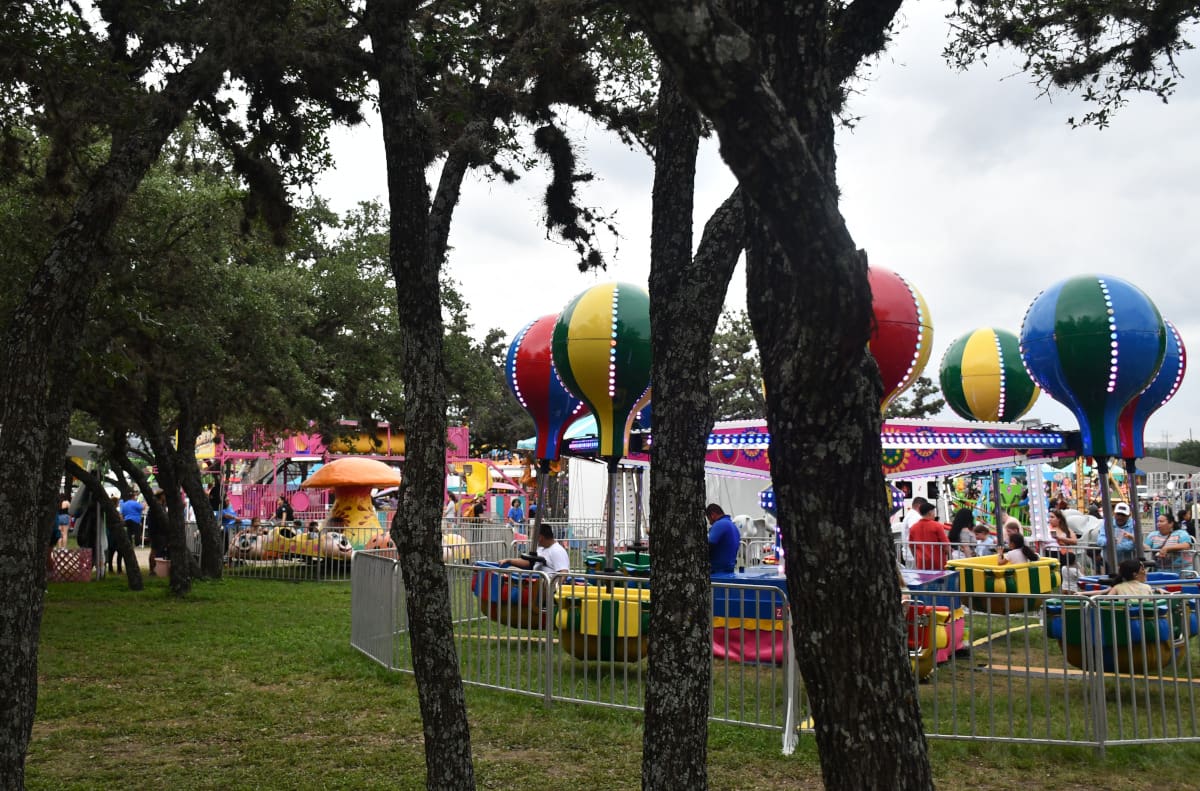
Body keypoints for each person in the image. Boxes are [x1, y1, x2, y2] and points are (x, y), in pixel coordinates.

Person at [499, 522, 569, 574]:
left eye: (533, 537)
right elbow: (529, 562)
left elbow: (563, 573)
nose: (532, 539)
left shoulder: (557, 551)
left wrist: (553, 587)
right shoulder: (541, 548)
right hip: (535, 579)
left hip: (546, 584)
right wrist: (509, 561)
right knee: (509, 570)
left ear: (540, 537)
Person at [908, 502, 950, 570]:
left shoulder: (913, 528)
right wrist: (949, 555)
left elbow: (911, 546)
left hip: (921, 563)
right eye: (934, 512)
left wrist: (917, 558)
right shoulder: (937, 526)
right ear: (930, 513)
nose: (934, 515)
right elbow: (946, 545)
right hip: (938, 563)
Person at [1097, 502, 1137, 571]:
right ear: (1114, 513)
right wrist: (1109, 541)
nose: (1120, 517)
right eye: (1118, 514)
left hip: (1128, 564)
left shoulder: (1134, 525)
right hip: (1108, 563)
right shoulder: (1107, 522)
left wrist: (1114, 546)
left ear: (1129, 515)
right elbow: (1099, 540)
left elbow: (1133, 544)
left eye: (1123, 515)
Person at [705, 503, 741, 574]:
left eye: (709, 519)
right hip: (730, 570)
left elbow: (709, 543)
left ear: (713, 515)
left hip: (717, 571)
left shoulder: (719, 524)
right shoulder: (733, 526)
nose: (710, 523)